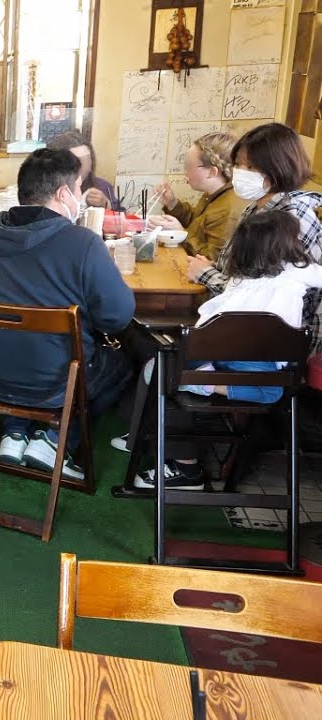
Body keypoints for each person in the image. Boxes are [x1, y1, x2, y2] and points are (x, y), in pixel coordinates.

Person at [0, 148, 136, 480]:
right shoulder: (83, 244)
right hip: (55, 385)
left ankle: (15, 432)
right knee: (120, 365)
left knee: (25, 349)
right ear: (64, 193)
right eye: (79, 189)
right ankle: (53, 441)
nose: (80, 197)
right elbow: (118, 318)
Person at [128, 211, 322, 490]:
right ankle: (195, 395)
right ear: (288, 246)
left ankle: (174, 460)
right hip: (271, 369)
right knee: (265, 386)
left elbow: (205, 328)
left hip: (227, 360)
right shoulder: (298, 271)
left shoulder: (238, 280)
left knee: (158, 367)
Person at [187, 122, 322, 355]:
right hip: (244, 326)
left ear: (276, 169)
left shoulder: (291, 218)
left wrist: (206, 275)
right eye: (238, 164)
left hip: (275, 344)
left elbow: (259, 297)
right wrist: (216, 267)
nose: (238, 172)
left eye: (249, 167)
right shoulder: (259, 206)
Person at [147, 131, 245, 261]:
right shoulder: (214, 194)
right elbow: (198, 224)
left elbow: (213, 258)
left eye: (188, 167)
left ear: (212, 172)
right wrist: (172, 203)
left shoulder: (229, 209)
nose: (184, 173)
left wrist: (181, 233)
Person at [47, 131, 122, 211]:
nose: (83, 166)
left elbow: (120, 217)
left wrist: (106, 204)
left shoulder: (102, 186)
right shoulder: (46, 188)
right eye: (77, 160)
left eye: (87, 159)